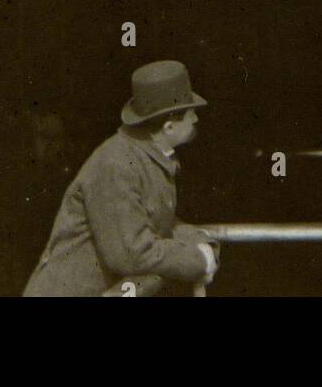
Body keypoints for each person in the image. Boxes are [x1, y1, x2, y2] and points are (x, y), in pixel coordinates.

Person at [24, 60, 219, 297]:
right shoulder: (116, 164)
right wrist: (199, 260)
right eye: (191, 113)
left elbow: (160, 222)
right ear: (168, 127)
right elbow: (131, 254)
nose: (196, 119)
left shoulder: (147, 157)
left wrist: (204, 244)